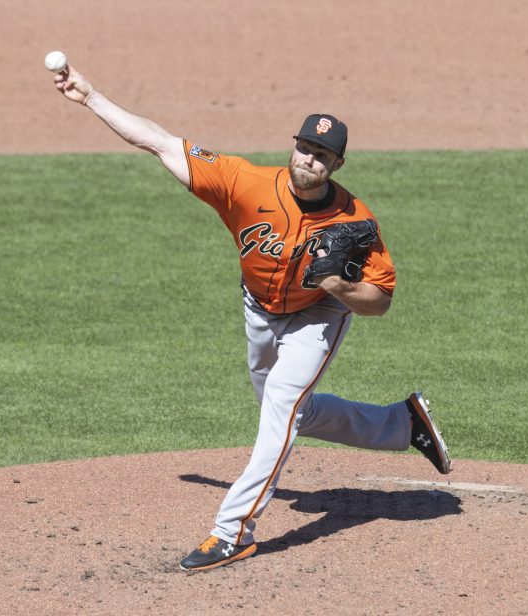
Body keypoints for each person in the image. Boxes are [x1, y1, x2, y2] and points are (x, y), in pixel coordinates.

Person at [53, 64, 452, 572]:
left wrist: (340, 286)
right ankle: (401, 424)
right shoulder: (244, 182)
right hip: (258, 309)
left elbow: (381, 300)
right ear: (294, 147)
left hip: (318, 316)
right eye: (305, 148)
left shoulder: (356, 221)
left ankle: (232, 531)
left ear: (338, 163)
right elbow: (159, 142)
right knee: (287, 411)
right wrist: (91, 98)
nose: (310, 159)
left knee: (281, 411)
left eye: (323, 155)